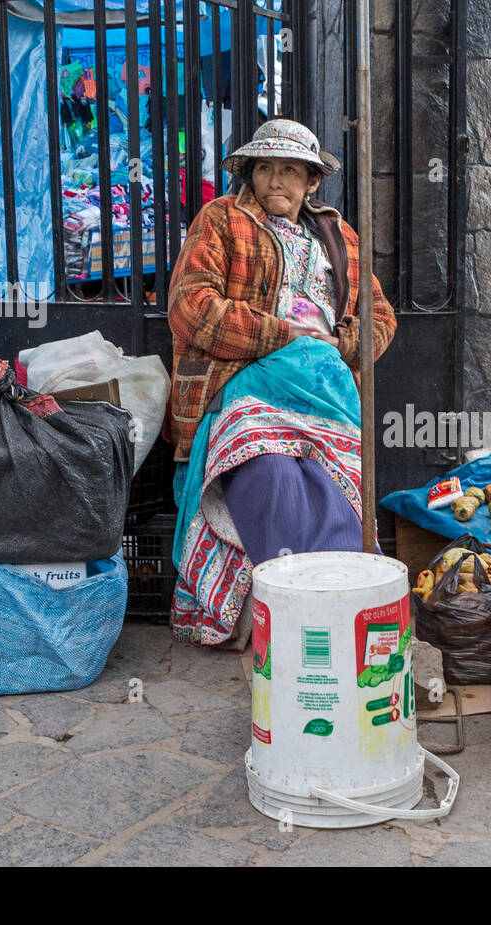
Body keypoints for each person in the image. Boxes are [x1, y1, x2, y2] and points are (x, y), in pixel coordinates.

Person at [167, 119, 398, 648]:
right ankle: (291, 615)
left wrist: (338, 346)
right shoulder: (222, 220)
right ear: (249, 172)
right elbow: (190, 305)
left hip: (326, 388)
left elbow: (380, 315)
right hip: (245, 381)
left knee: (336, 491)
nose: (276, 181)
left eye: (290, 171)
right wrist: (280, 335)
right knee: (270, 474)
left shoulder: (341, 238)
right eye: (265, 168)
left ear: (312, 182)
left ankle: (342, 608)